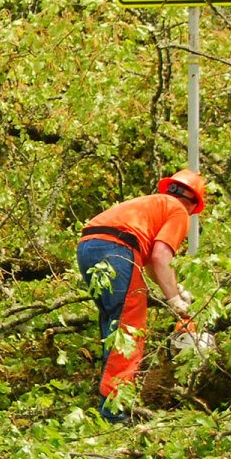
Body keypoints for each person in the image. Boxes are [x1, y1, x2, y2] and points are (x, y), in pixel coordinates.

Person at [76, 170, 206, 422]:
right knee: (129, 329)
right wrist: (175, 302)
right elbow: (160, 257)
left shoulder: (153, 203)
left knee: (114, 324)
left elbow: (150, 263)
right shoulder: (179, 211)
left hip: (89, 247)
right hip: (117, 250)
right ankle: (114, 411)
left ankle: (107, 398)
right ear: (194, 203)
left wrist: (175, 289)